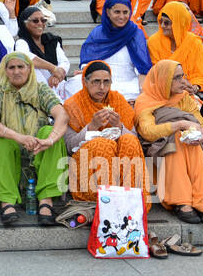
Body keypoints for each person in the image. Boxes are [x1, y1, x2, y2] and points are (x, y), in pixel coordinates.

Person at [0, 51, 69, 227]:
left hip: (39, 149)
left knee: (49, 132)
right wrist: (18, 137)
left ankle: (46, 202)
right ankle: (7, 202)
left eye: (21, 67)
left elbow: (62, 115)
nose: (16, 72)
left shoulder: (40, 88)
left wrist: (49, 140)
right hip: (12, 152)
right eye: (11, 67)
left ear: (29, 69)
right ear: (5, 71)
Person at [135, 59, 203, 225]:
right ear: (164, 80)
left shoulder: (184, 98)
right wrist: (179, 125)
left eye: (183, 76)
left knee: (190, 139)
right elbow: (148, 132)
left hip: (189, 150)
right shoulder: (146, 101)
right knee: (178, 137)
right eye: (177, 78)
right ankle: (182, 200)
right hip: (159, 153)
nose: (183, 81)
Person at [61, 60, 149, 206]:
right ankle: (105, 201)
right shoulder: (72, 105)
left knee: (129, 141)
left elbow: (135, 137)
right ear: (85, 82)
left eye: (106, 82)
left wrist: (119, 126)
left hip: (119, 158)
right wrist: (92, 127)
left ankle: (132, 201)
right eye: (96, 82)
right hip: (89, 162)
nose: (102, 87)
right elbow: (69, 146)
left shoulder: (118, 101)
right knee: (102, 145)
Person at [75, 0, 152, 101]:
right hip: (101, 80)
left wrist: (142, 88)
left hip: (128, 81)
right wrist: (87, 70)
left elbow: (142, 65)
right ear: (108, 12)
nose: (121, 17)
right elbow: (88, 59)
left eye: (125, 12)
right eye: (117, 12)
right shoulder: (98, 33)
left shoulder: (135, 33)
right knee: (76, 83)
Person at [147, 1, 203, 91]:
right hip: (164, 89)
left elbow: (201, 74)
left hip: (190, 90)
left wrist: (195, 87)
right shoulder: (153, 42)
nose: (162, 26)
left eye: (167, 23)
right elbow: (156, 73)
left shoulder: (194, 42)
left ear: (179, 23)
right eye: (161, 21)